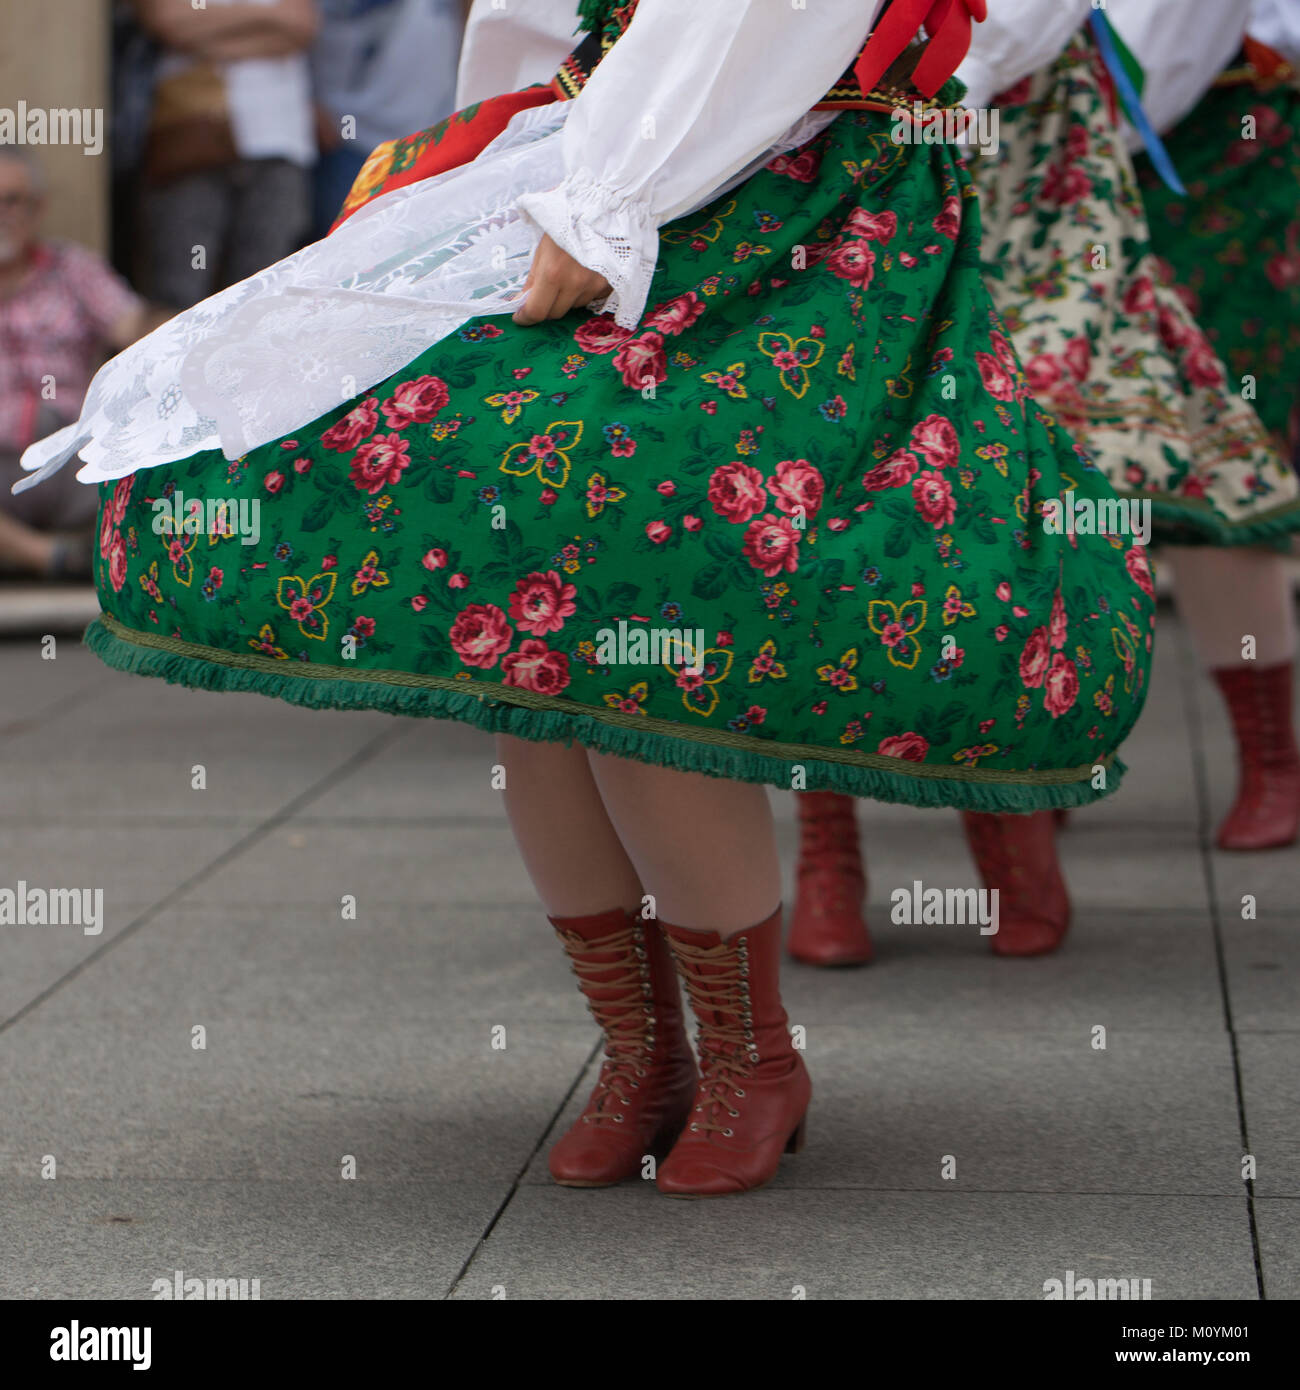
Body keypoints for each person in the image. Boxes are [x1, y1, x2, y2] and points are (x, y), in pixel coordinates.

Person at [16, 0, 1156, 1198]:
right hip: (607, 162)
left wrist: (606, 195)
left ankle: (751, 1058)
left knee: (631, 598)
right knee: (520, 613)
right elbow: (530, 16)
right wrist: (497, 161)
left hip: (775, 204)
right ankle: (643, 1056)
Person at [789, 0, 1300, 968]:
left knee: (1008, 477)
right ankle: (828, 851)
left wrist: (926, 84)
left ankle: (1009, 813)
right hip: (849, 136)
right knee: (823, 476)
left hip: (1019, 155)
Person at [0, 149, 155, 580]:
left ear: (38, 208)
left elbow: (137, 329)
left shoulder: (73, 269)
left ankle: (62, 552)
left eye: (14, 201)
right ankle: (50, 557)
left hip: (73, 460)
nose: (4, 214)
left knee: (152, 471)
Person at [132, 0, 319, 309]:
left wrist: (206, 37)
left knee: (266, 293)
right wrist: (266, 18)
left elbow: (301, 26)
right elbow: (169, 23)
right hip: (190, 142)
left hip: (277, 140)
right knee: (178, 290)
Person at [308, 0, 466, 243]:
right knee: (349, 253)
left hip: (436, 132)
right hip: (350, 136)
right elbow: (293, 26)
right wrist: (308, 101)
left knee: (431, 247)